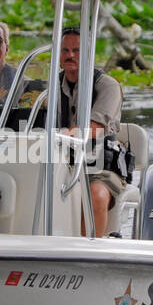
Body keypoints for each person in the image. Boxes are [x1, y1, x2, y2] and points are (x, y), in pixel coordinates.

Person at [57, 27, 126, 237]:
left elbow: (92, 130)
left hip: (98, 166)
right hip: (58, 162)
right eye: (65, 50)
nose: (70, 55)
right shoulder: (48, 86)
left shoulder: (108, 86)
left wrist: (55, 137)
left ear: (88, 54)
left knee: (96, 194)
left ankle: (86, 252)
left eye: (77, 51)